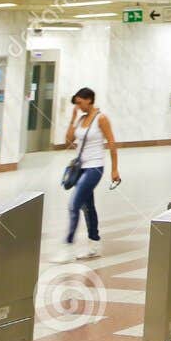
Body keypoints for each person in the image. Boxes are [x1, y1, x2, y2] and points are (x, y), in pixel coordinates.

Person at [59, 87, 119, 262]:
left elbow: (112, 144)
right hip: (81, 168)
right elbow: (68, 141)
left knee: (74, 204)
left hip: (95, 168)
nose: (78, 106)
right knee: (88, 206)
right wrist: (72, 119)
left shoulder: (101, 119)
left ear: (89, 99)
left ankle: (68, 246)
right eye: (76, 103)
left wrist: (115, 169)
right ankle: (94, 243)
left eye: (79, 102)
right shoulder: (81, 119)